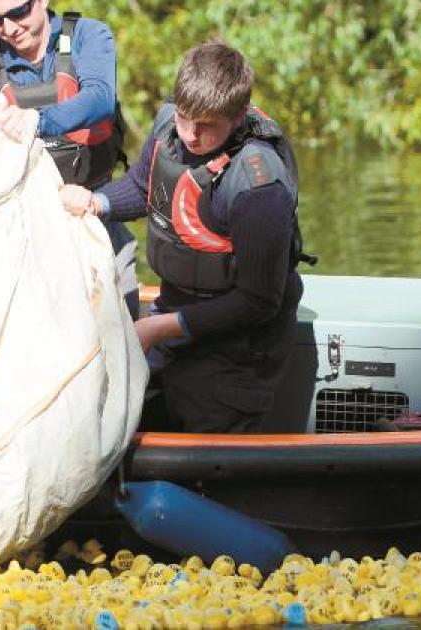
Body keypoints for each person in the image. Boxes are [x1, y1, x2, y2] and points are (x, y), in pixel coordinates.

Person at [60, 40, 311, 433]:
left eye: (206, 126)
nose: (191, 135)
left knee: (201, 444)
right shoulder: (170, 127)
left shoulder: (259, 187)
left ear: (239, 115)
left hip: (238, 348)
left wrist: (158, 328)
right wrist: (95, 202)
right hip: (175, 315)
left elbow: (257, 302)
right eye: (183, 117)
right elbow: (146, 187)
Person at [0, 0, 139, 319]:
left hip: (94, 213)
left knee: (124, 332)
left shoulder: (89, 35)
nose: (10, 28)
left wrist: (37, 121)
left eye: (18, 13)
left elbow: (100, 99)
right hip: (25, 232)